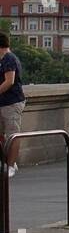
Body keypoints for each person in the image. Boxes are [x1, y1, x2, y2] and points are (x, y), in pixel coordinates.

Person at [0, 32, 26, 179]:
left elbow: (9, 81)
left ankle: (11, 165)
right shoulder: (4, 59)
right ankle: (8, 161)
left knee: (13, 135)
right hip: (4, 102)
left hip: (12, 102)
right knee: (4, 134)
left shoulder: (9, 59)